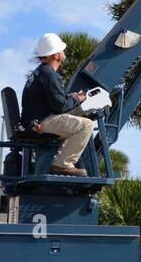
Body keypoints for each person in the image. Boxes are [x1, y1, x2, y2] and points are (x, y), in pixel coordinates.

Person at [20, 33, 93, 177]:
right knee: (86, 125)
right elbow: (60, 106)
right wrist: (79, 98)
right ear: (55, 55)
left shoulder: (41, 72)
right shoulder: (48, 74)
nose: (64, 52)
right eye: (61, 50)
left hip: (35, 119)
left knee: (75, 123)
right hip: (40, 122)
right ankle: (62, 164)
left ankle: (61, 161)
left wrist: (71, 97)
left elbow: (54, 100)